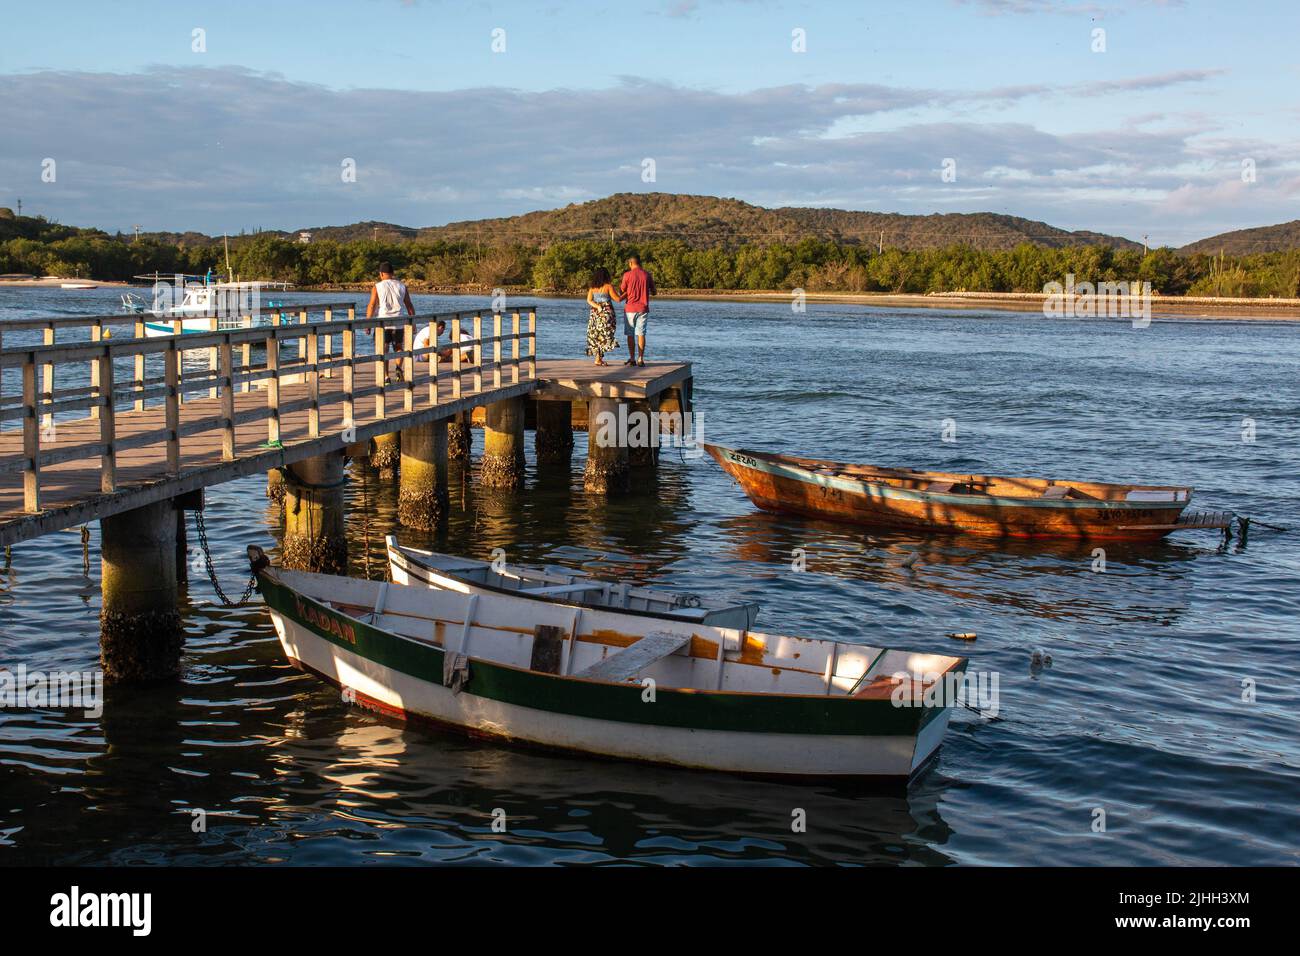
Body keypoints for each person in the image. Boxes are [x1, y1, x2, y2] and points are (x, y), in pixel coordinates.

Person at [365, 261, 414, 383]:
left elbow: (371, 306)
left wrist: (368, 324)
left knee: (384, 349)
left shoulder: (377, 286)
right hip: (399, 321)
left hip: (383, 323)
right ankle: (398, 368)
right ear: (392, 273)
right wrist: (413, 323)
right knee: (398, 347)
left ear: (381, 274)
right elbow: (409, 306)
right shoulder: (402, 286)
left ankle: (386, 376)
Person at [619, 254, 655, 366]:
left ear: (630, 263)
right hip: (643, 308)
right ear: (640, 263)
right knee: (641, 334)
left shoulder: (627, 275)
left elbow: (622, 291)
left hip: (630, 308)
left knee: (630, 334)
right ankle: (640, 358)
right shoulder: (647, 275)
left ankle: (632, 358)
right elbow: (654, 291)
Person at [585, 267, 622, 366]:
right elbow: (617, 299)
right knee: (605, 334)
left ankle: (598, 359)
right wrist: (626, 293)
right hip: (606, 313)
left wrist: (597, 306)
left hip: (595, 313)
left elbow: (589, 300)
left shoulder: (592, 287)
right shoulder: (608, 286)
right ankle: (598, 359)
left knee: (596, 335)